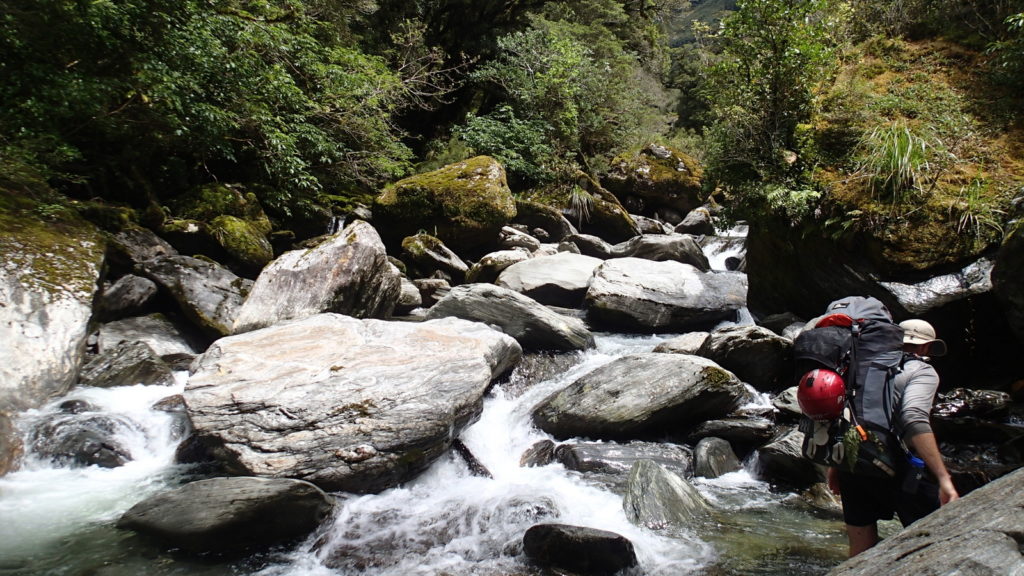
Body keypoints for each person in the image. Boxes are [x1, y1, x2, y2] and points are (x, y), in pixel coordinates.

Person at [826, 318, 960, 557]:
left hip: (855, 462)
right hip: (900, 468)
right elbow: (913, 418)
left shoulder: (864, 366)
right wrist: (943, 478)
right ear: (925, 347)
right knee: (933, 546)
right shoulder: (922, 370)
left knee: (860, 552)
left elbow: (845, 413)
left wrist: (836, 466)